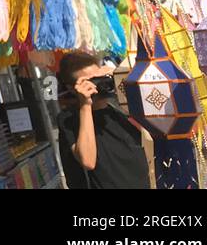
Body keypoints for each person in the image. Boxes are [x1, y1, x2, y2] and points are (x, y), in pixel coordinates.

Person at [55, 51, 150, 190]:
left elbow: (151, 132)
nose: (98, 85)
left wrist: (119, 78)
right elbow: (88, 161)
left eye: (99, 78)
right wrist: (85, 105)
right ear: (72, 87)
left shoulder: (118, 108)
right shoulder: (69, 119)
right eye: (90, 81)